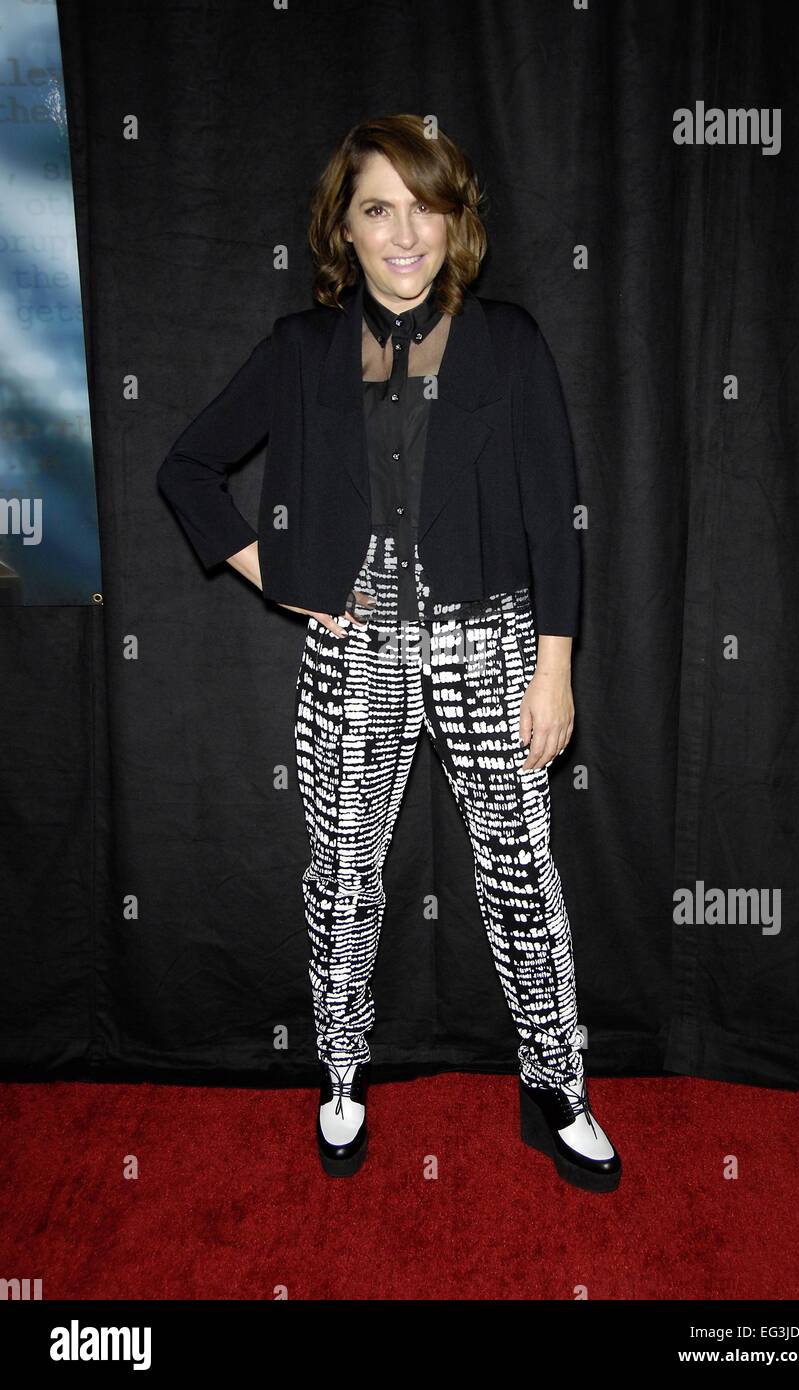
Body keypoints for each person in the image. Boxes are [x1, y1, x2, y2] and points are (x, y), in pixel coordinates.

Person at [157, 114, 621, 1193]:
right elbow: (187, 467)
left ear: (454, 221)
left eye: (425, 207)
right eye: (378, 208)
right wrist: (288, 583)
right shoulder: (303, 349)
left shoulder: (506, 339)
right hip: (353, 657)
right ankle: (340, 1073)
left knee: (519, 876)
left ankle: (556, 1086)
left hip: (493, 646)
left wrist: (553, 667)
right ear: (345, 227)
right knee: (343, 878)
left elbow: (553, 515)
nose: (403, 232)